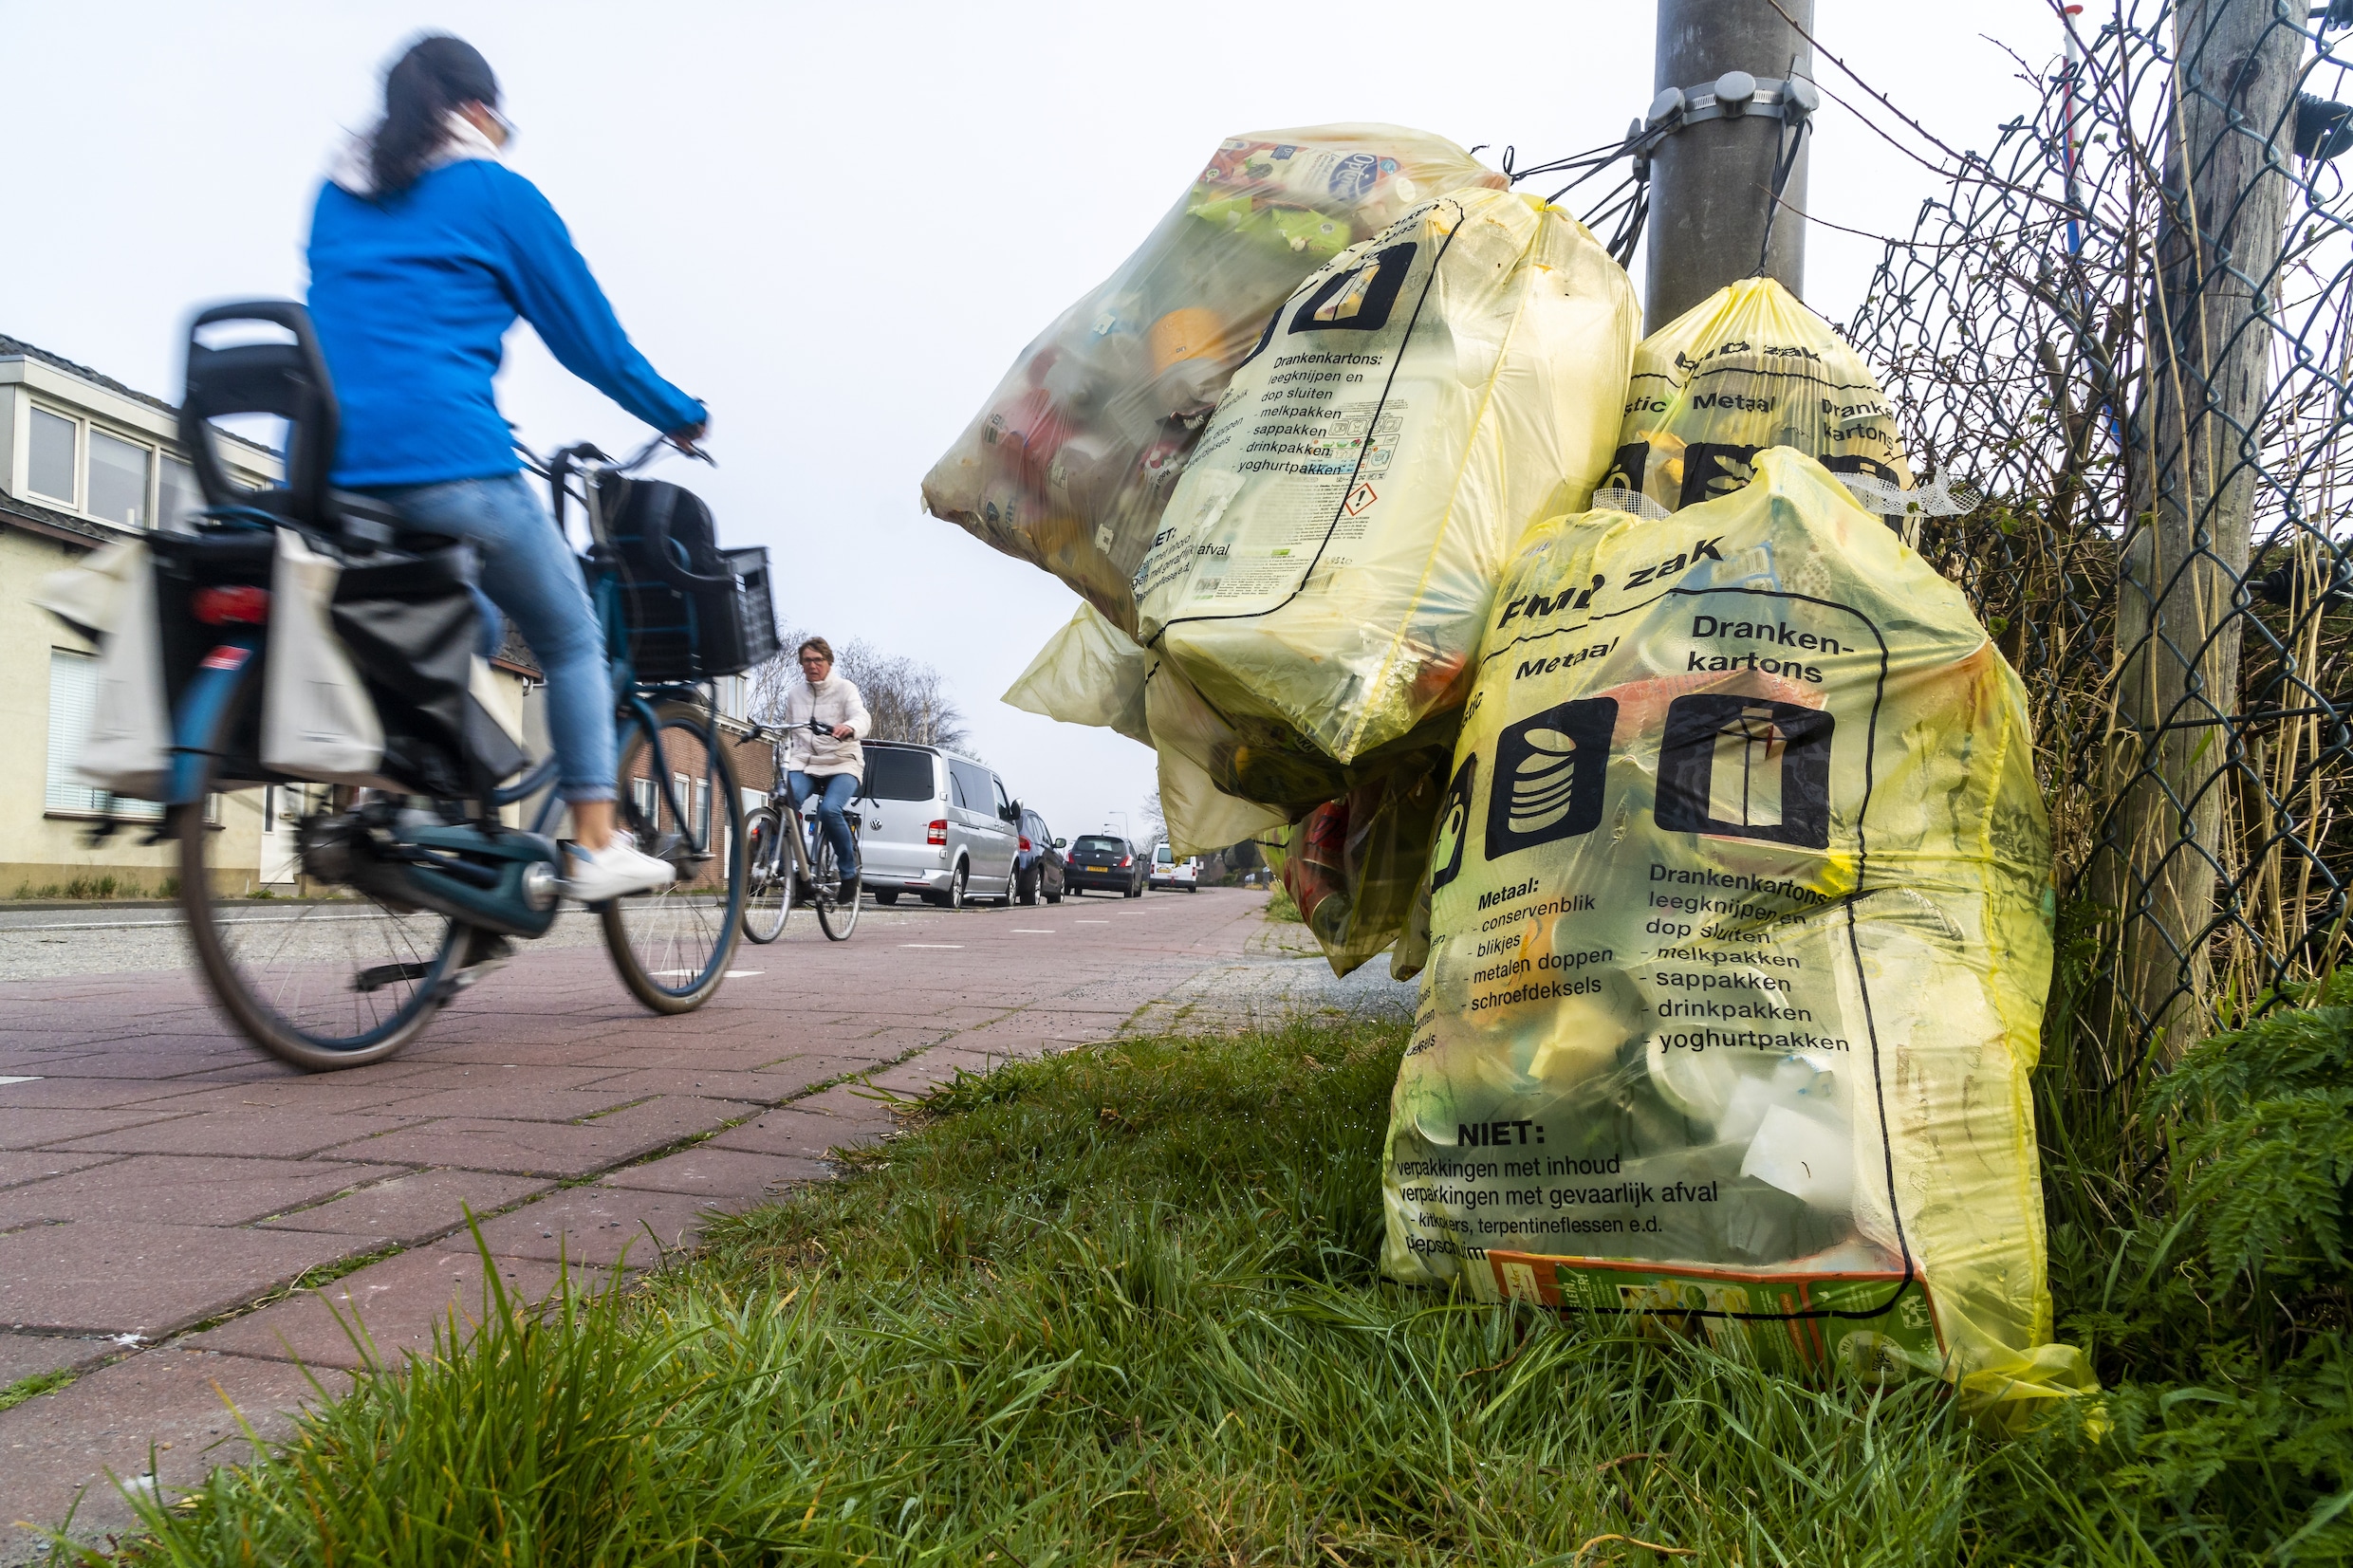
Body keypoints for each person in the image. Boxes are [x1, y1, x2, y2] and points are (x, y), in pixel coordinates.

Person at [306, 34, 704, 902]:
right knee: (572, 638)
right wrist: (678, 413)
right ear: (478, 112)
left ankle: (420, 818)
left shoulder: (335, 194)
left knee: (471, 625)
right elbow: (592, 342)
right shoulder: (494, 193)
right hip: (448, 461)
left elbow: (365, 326)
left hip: (329, 471)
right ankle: (593, 842)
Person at [777, 638, 870, 899]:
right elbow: (789, 731)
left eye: (818, 660)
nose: (812, 665)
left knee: (829, 810)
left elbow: (862, 716)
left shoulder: (845, 689)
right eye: (807, 660)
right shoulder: (795, 695)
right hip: (806, 762)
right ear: (801, 664)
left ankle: (849, 872)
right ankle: (787, 867)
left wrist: (850, 727)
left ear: (828, 662)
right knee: (785, 801)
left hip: (842, 761)